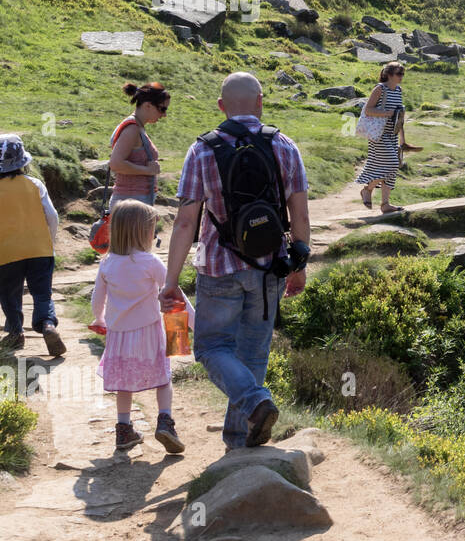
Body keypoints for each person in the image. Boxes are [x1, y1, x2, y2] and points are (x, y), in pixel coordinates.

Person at [161, 73, 311, 450]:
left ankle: (254, 407)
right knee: (253, 354)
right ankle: (240, 437)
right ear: (261, 101)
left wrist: (170, 279)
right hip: (270, 268)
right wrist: (300, 265)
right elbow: (301, 216)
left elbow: (184, 221)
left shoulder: (202, 150)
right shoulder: (285, 146)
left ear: (221, 106)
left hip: (217, 266)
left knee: (212, 349)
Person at [91, 200, 185, 454]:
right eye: (152, 229)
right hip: (150, 332)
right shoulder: (149, 262)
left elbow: (97, 298)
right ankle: (165, 421)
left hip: (119, 336)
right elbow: (174, 292)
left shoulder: (107, 263)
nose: (154, 235)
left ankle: (124, 430)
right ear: (141, 232)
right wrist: (194, 322)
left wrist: (98, 318)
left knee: (123, 383)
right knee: (163, 378)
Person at [0, 134, 63, 356]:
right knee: (42, 293)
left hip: (6, 253)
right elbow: (52, 216)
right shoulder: (35, 184)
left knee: (9, 293)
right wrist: (50, 242)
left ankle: (16, 332)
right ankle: (47, 325)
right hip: (40, 249)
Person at [358, 62, 419, 213]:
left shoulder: (398, 90)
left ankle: (385, 204)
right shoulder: (380, 89)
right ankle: (367, 189)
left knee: (394, 166)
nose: (401, 77)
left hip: (392, 134)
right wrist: (388, 113)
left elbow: (399, 116)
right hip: (378, 135)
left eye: (403, 74)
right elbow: (368, 110)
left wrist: (403, 140)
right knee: (391, 163)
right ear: (389, 74)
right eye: (399, 74)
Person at [108, 82, 168, 209]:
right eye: (162, 109)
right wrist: (148, 171)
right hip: (130, 204)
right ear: (148, 106)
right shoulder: (132, 129)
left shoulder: (136, 126)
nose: (164, 115)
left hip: (133, 202)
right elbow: (115, 164)